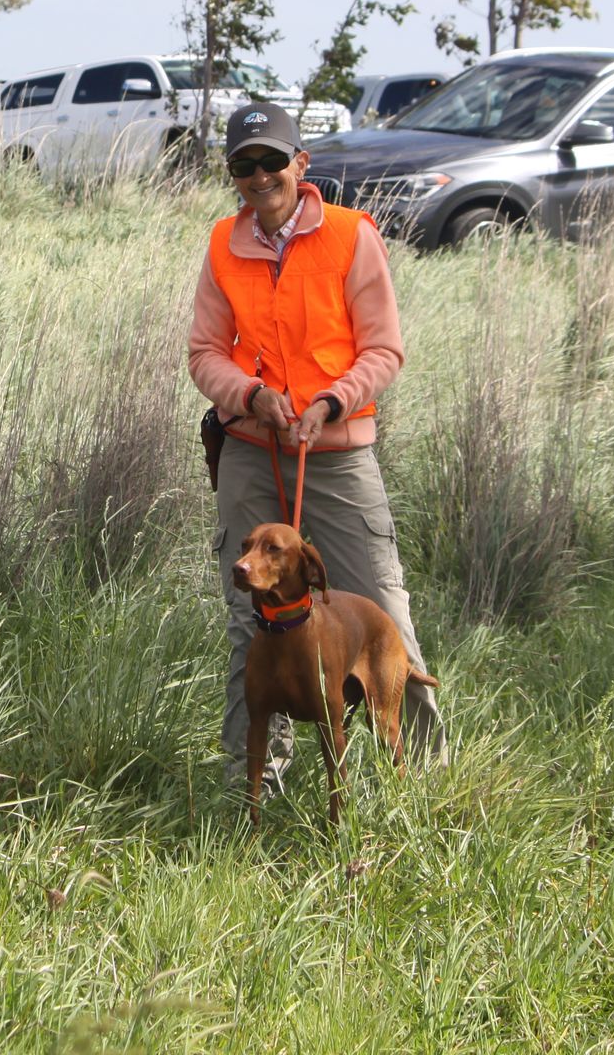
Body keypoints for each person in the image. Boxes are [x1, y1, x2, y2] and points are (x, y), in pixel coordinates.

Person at [188, 100, 443, 791]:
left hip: (337, 456)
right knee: (253, 622)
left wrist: (330, 401)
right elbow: (205, 353)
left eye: (274, 160)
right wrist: (248, 396)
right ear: (234, 175)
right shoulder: (222, 244)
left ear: (303, 165)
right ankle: (253, 789)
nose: (261, 175)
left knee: (383, 611)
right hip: (250, 450)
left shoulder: (350, 235)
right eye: (245, 165)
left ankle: (420, 783)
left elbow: (385, 350)